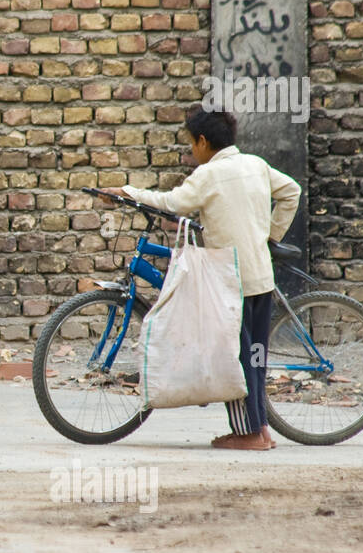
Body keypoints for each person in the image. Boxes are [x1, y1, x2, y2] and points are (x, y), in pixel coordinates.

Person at [99, 105, 302, 451]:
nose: (192, 153)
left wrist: (129, 193)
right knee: (254, 355)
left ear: (205, 142)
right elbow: (292, 191)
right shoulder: (255, 165)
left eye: (192, 145)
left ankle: (250, 434)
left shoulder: (208, 175)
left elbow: (172, 203)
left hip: (230, 282)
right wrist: (269, 235)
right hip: (260, 278)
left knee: (233, 356)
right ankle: (262, 430)